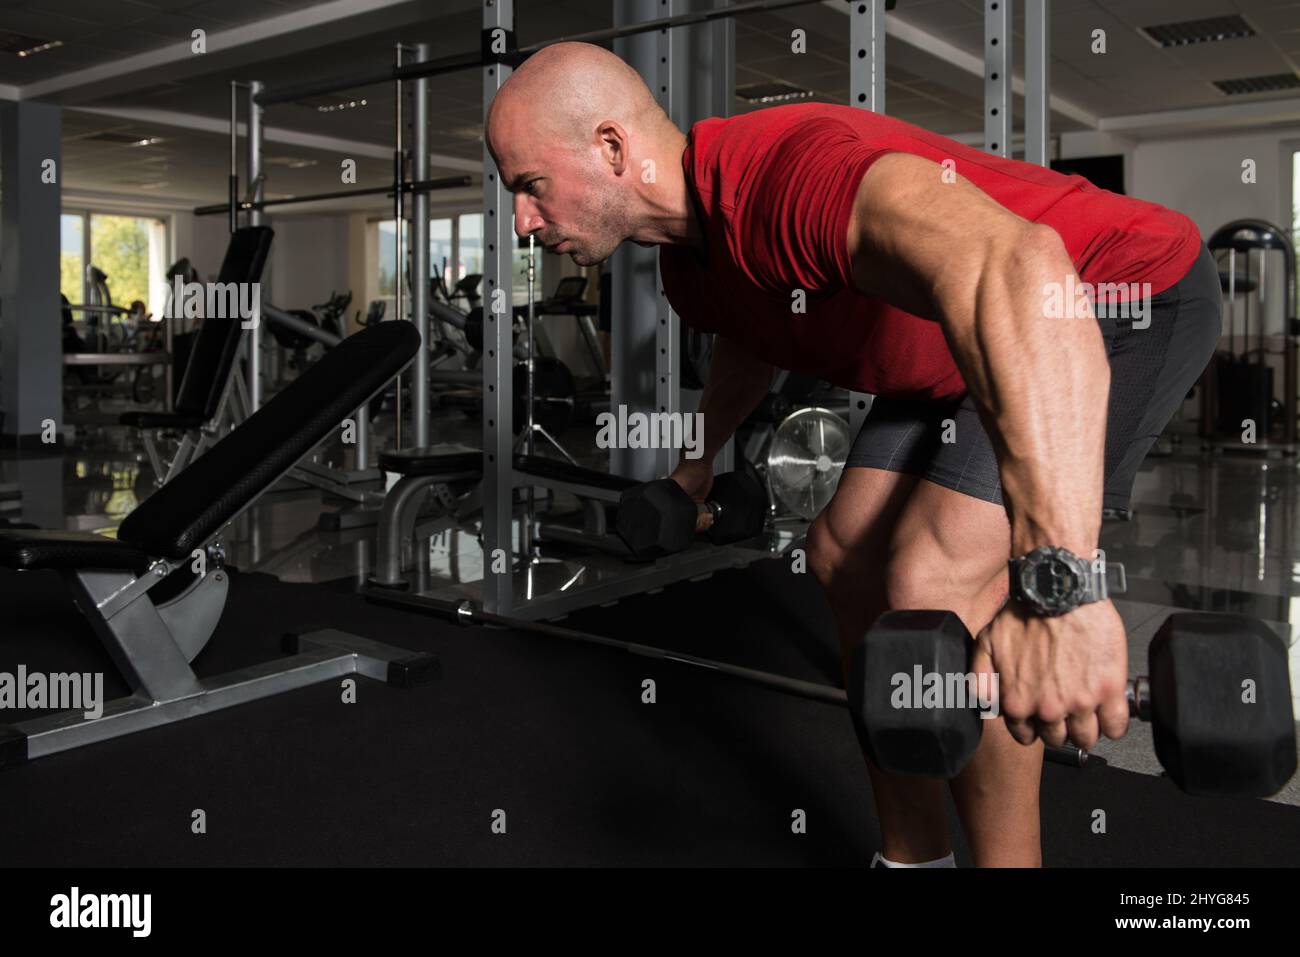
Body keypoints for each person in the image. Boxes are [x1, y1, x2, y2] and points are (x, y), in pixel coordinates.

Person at [485, 42, 1220, 867]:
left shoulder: (786, 174)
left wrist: (1064, 586)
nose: (522, 220)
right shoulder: (686, 264)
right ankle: (912, 858)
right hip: (953, 347)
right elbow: (747, 339)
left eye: (528, 186)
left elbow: (1020, 267)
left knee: (932, 578)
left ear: (612, 150)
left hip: (1111, 293)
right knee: (838, 555)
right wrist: (696, 466)